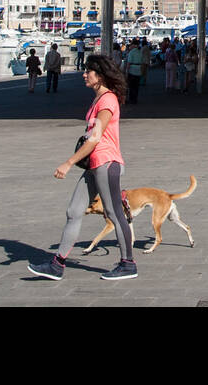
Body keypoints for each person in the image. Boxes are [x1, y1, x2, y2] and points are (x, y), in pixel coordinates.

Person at [28, 53, 136, 281]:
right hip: (94, 166)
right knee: (74, 212)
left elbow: (96, 138)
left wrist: (69, 162)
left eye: (89, 71)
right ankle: (57, 265)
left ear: (100, 76)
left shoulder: (107, 100)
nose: (84, 74)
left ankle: (128, 263)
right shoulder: (98, 99)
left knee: (114, 213)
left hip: (106, 163)